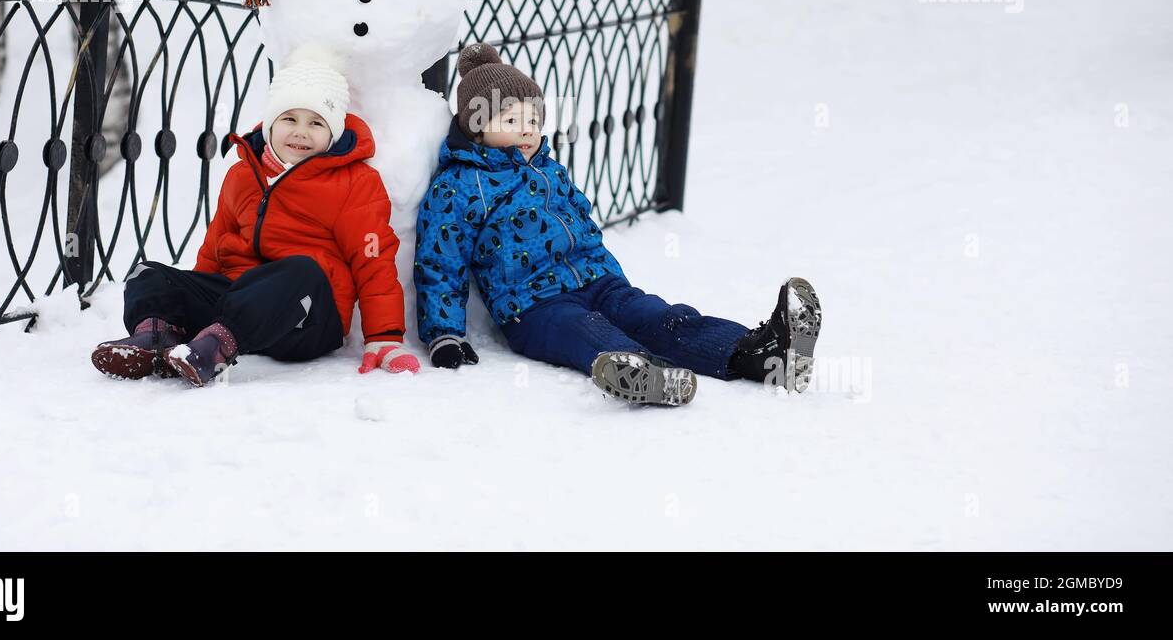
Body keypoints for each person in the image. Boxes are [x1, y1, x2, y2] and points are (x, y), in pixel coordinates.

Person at [413, 43, 821, 406]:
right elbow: (440, 261)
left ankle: (764, 353)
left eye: (534, 120)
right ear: (477, 128)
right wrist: (444, 333)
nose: (527, 129)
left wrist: (613, 282)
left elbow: (585, 228)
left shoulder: (549, 170)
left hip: (598, 282)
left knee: (657, 316)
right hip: (533, 305)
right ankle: (643, 373)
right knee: (581, 330)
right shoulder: (461, 185)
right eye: (510, 119)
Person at [91, 59, 418, 385]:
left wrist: (384, 337)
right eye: (289, 118)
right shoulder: (243, 175)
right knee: (149, 274)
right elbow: (215, 246)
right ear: (270, 124)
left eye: (316, 123)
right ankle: (156, 340)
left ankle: (214, 349)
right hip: (239, 299)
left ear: (332, 134)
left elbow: (373, 261)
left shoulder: (354, 182)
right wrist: (191, 297)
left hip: (308, 316)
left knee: (300, 270)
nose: (301, 131)